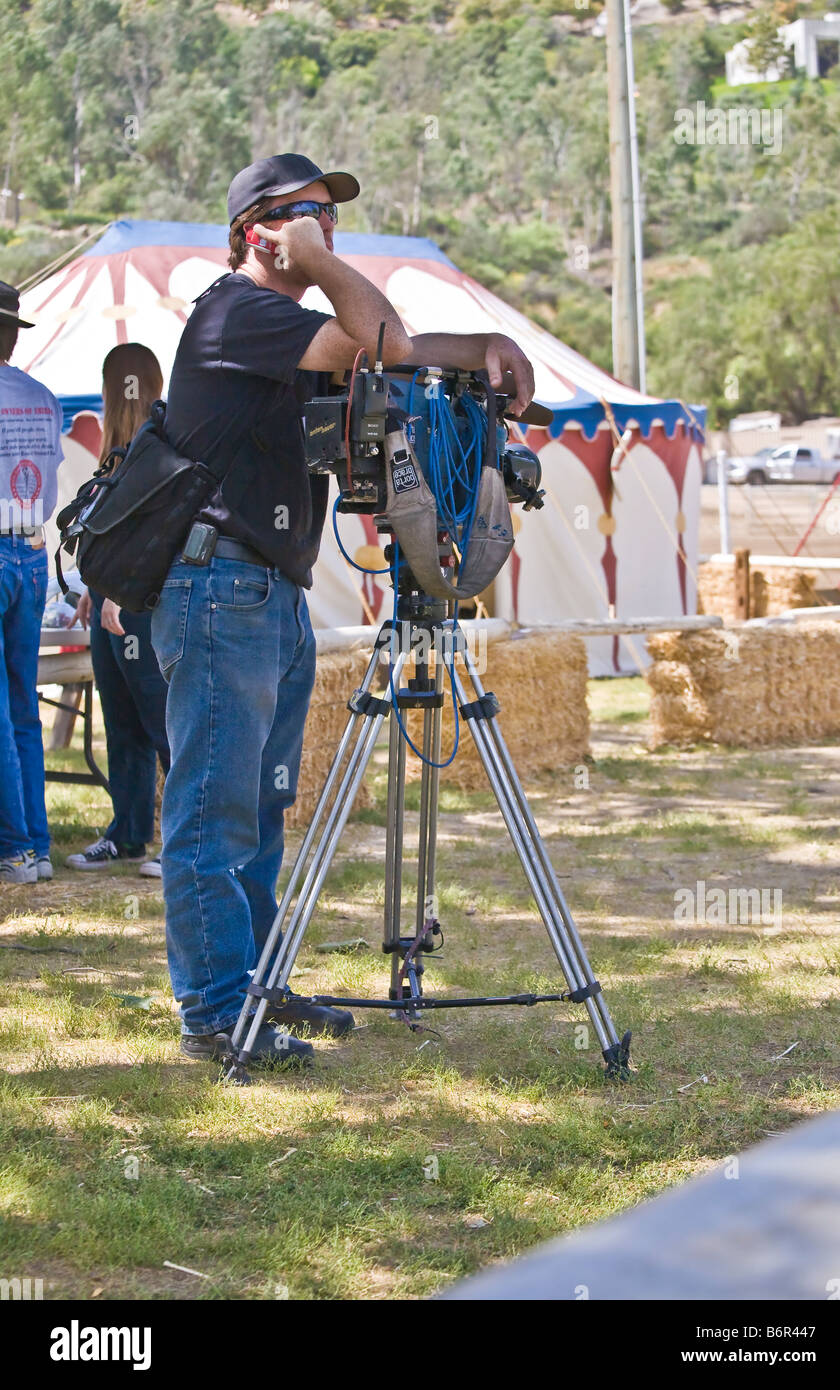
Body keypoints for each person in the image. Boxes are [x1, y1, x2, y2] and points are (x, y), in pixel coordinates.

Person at [154, 152, 535, 1066]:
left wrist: (482, 348)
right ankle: (213, 1014)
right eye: (311, 215)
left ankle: (253, 985)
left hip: (261, 588)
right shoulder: (235, 310)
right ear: (262, 230)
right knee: (215, 808)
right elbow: (380, 341)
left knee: (260, 802)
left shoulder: (284, 328)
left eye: (334, 217)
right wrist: (317, 261)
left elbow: (390, 353)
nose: (330, 228)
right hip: (217, 587)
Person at [68, 344, 169, 877]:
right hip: (110, 601)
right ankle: (127, 834)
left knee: (162, 723)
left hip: (139, 606)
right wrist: (93, 584)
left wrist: (118, 591)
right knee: (123, 722)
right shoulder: (115, 453)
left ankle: (180, 841)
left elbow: (152, 536)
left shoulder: (158, 448)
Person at [0, 281, 64, 884]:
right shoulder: (42, 399)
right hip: (31, 553)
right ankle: (35, 848)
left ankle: (15, 849)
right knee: (22, 704)